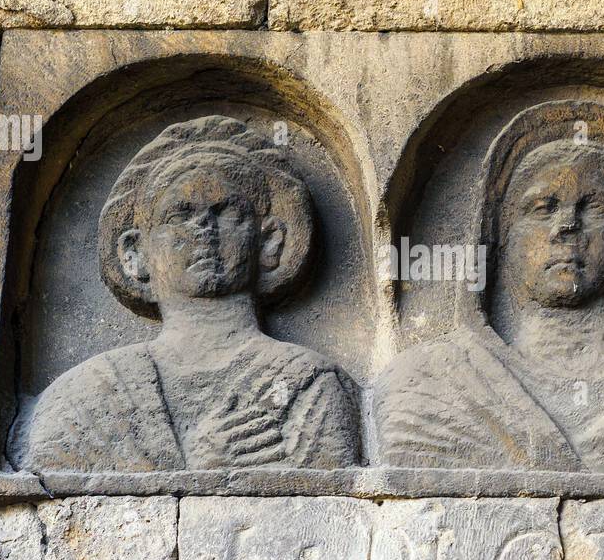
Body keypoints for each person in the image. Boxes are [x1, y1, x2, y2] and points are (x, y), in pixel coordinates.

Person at [18, 114, 361, 475]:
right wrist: (197, 466)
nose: (204, 228)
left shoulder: (308, 385)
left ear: (269, 240)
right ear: (135, 254)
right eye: (179, 215)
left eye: (227, 211)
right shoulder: (87, 397)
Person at [375, 128, 604, 475]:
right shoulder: (428, 380)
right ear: (501, 234)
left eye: (594, 206)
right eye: (543, 208)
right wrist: (591, 466)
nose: (567, 225)